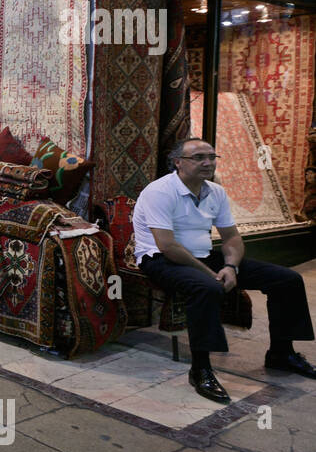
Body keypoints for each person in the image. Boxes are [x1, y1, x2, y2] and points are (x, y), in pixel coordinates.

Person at [133, 136, 315, 403]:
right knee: (206, 288)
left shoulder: (215, 192)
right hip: (160, 259)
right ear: (178, 163)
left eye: (211, 157)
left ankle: (281, 353)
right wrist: (211, 275)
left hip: (204, 256)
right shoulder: (160, 191)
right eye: (198, 157)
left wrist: (230, 267)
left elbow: (231, 237)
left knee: (286, 279)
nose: (208, 163)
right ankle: (201, 369)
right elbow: (168, 245)